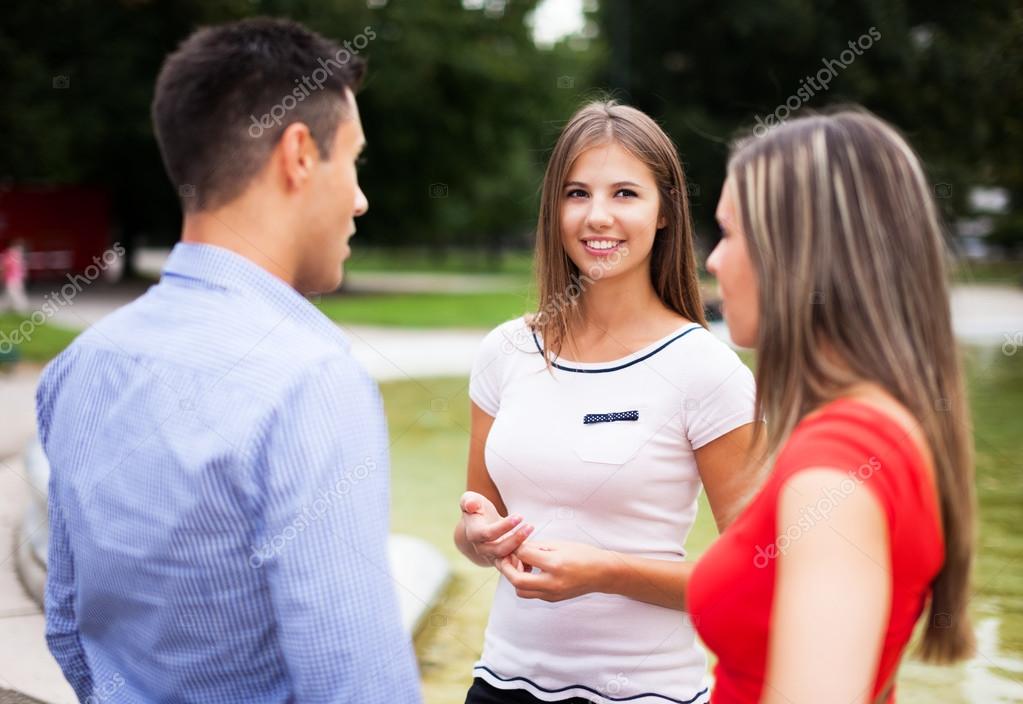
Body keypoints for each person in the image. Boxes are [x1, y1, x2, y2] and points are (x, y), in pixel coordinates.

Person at [36, 18, 421, 703]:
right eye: (354, 161)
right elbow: (358, 684)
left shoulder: (81, 365)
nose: (360, 199)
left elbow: (68, 624)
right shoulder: (310, 381)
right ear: (299, 154)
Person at [454, 101, 763, 704]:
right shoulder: (505, 352)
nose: (597, 217)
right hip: (500, 684)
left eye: (625, 193)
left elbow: (757, 578)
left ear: (665, 210)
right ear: (554, 209)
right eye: (577, 193)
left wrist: (607, 572)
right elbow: (473, 530)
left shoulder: (706, 370)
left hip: (647, 694)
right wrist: (479, 536)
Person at [688, 109, 976, 702]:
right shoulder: (886, 426)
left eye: (730, 233)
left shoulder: (835, 469)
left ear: (794, 253)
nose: (713, 260)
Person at [1, 239, 30, 313]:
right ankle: (12, 308)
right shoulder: (14, 256)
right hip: (14, 279)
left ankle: (22, 308)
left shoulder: (12, 256)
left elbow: (5, 267)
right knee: (12, 294)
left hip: (13, 279)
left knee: (14, 294)